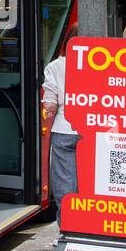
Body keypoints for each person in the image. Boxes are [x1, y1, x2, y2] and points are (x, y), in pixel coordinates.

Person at [42, 23, 80, 223]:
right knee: (88, 182)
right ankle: (86, 228)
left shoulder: (55, 67)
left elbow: (50, 104)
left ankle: (66, 229)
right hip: (91, 130)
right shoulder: (100, 63)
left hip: (64, 128)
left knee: (64, 182)